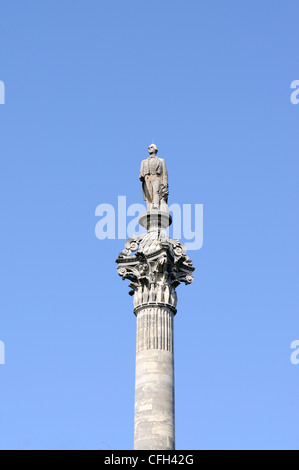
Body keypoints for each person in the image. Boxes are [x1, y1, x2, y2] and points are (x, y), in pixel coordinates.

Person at [139, 144, 169, 210]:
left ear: (155, 149)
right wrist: (141, 176)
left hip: (157, 178)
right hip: (147, 179)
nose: (149, 148)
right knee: (148, 194)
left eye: (151, 147)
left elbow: (165, 173)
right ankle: (149, 208)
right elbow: (141, 172)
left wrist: (165, 183)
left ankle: (156, 206)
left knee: (156, 192)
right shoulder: (144, 161)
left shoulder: (161, 161)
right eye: (148, 148)